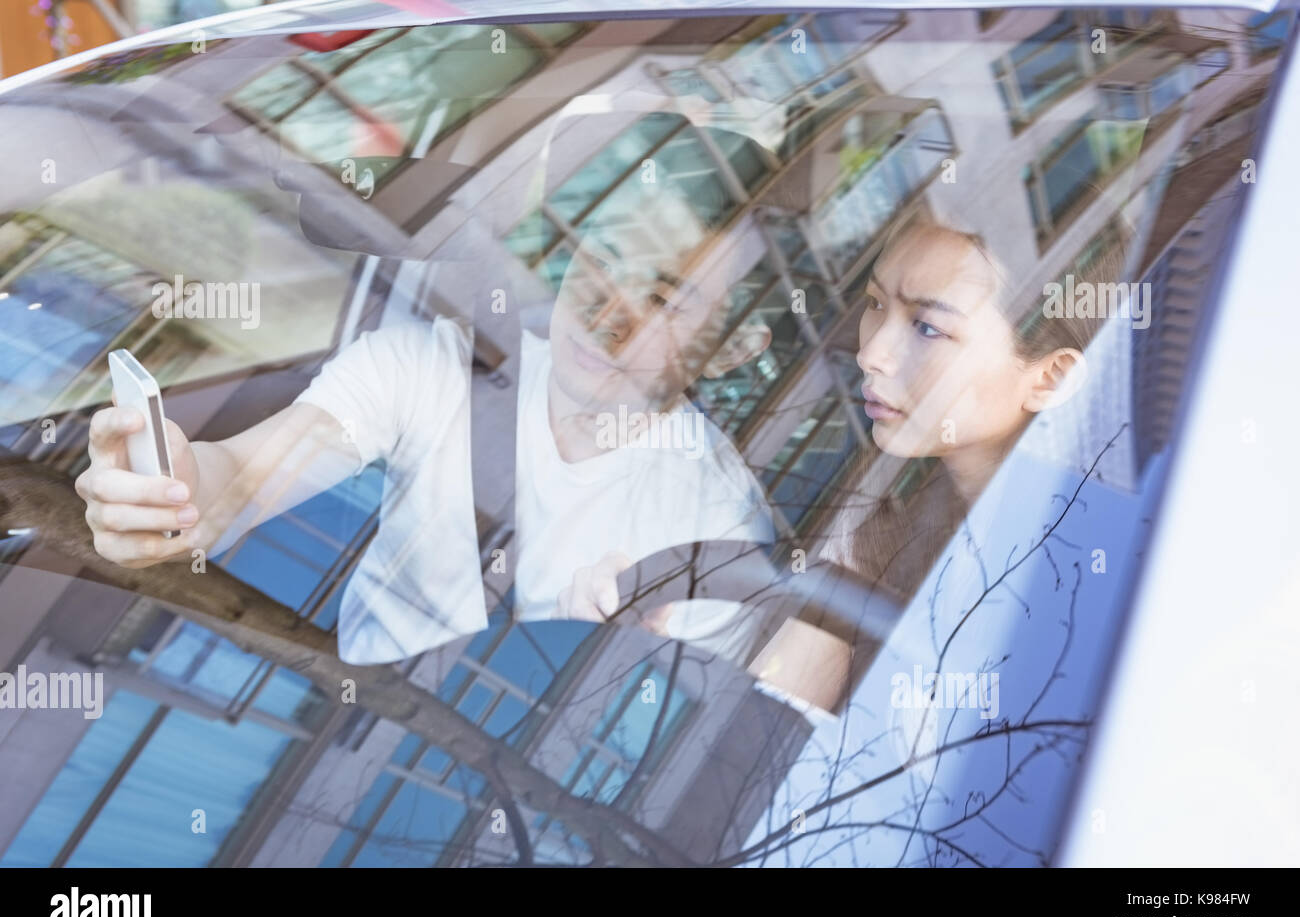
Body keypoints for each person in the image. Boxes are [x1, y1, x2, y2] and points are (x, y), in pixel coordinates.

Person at [75, 163, 777, 666]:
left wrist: (628, 656)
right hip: (352, 717)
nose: (605, 315)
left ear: (728, 348)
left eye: (662, 298)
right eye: (604, 258)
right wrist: (175, 490)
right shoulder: (435, 367)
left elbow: (688, 739)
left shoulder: (717, 526)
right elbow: (246, 479)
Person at [750, 211, 1124, 712]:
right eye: (876, 304)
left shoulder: (1081, 587)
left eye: (927, 327)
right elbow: (770, 720)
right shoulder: (884, 522)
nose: (872, 353)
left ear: (1048, 379)